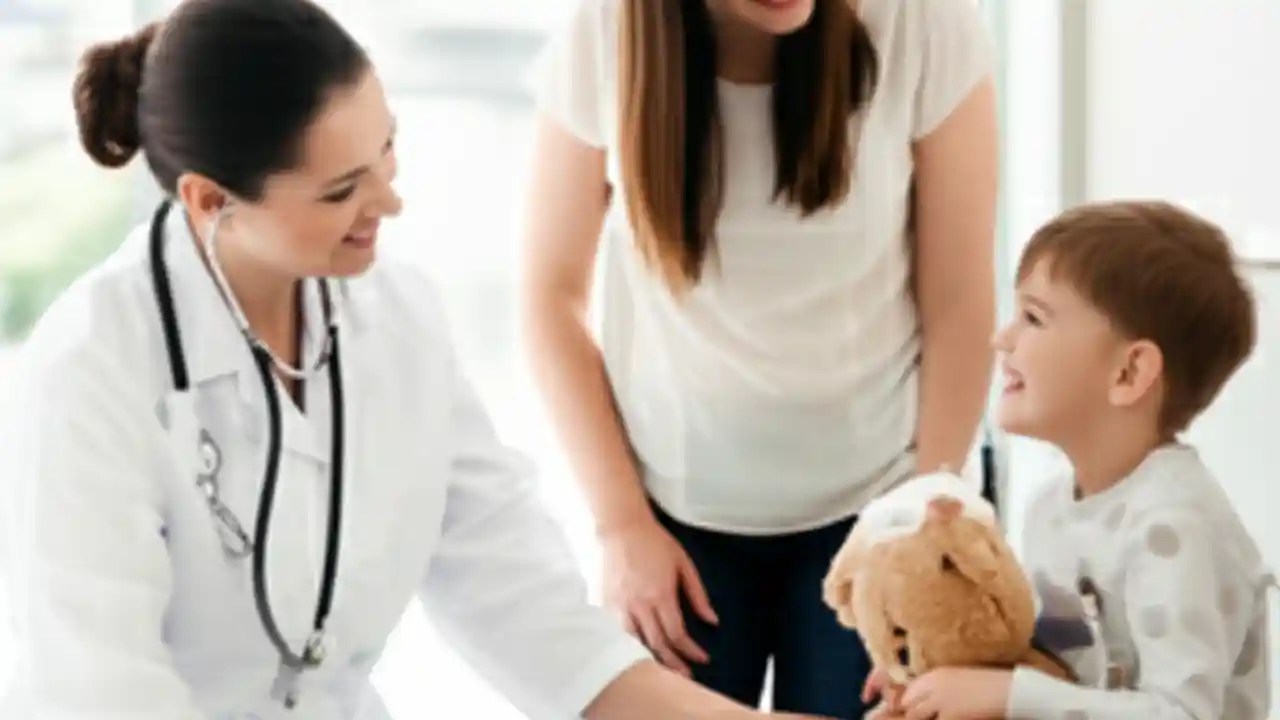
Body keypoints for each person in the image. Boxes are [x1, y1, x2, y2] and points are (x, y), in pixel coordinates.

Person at [0, 1, 831, 718]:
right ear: (211, 200)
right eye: (340, 191)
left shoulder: (394, 316)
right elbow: (104, 691)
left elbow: (515, 590)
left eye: (385, 153)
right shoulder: (92, 371)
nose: (389, 202)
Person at [520, 0, 997, 715]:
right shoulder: (604, 34)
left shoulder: (925, 23)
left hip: (880, 512)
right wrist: (621, 526)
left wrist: (925, 524)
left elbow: (959, 298)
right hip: (676, 525)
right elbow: (549, 297)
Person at [866, 201, 1274, 719]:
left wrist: (1007, 696)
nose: (1003, 338)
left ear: (1129, 373)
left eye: (1033, 318)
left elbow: (1183, 714)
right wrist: (933, 664)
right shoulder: (1051, 508)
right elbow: (1053, 664)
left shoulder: (1174, 526)